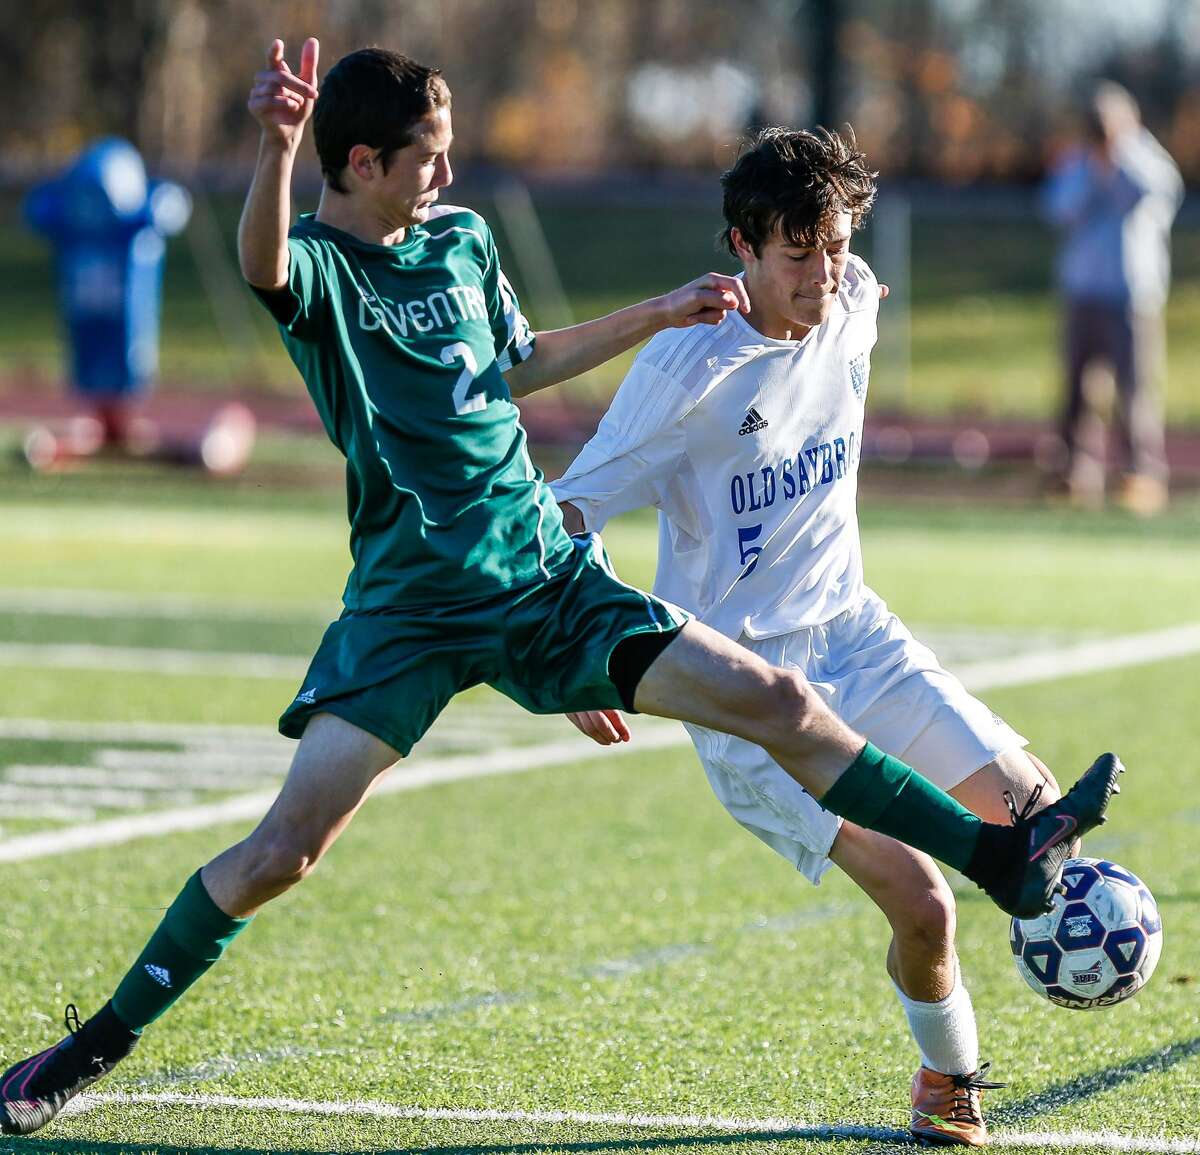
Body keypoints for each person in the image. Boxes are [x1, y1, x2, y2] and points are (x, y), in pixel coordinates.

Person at [0, 41, 1120, 1139]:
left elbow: (521, 358)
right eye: (425, 156)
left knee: (781, 701)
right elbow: (264, 268)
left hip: (545, 579)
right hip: (413, 609)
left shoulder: (462, 241)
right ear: (359, 163)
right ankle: (87, 1049)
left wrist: (656, 309)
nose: (446, 173)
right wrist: (274, 147)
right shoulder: (327, 270)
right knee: (282, 854)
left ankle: (1002, 863)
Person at [552, 126, 1092, 1146]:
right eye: (797, 253)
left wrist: (851, 280)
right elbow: (566, 511)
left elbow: (858, 296)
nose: (824, 271)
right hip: (746, 689)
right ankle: (949, 1079)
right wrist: (578, 646)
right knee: (925, 903)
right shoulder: (684, 373)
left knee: (1040, 809)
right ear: (740, 249)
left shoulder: (852, 302)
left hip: (856, 632)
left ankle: (1089, 945)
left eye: (835, 244)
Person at [1042, 81, 1184, 515]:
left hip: (1132, 294)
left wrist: (1117, 156)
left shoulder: (1146, 157)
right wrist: (1093, 168)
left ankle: (1141, 474)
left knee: (1135, 389)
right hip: (1083, 290)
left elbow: (1156, 194)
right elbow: (1058, 206)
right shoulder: (1077, 162)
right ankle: (1074, 473)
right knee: (1077, 390)